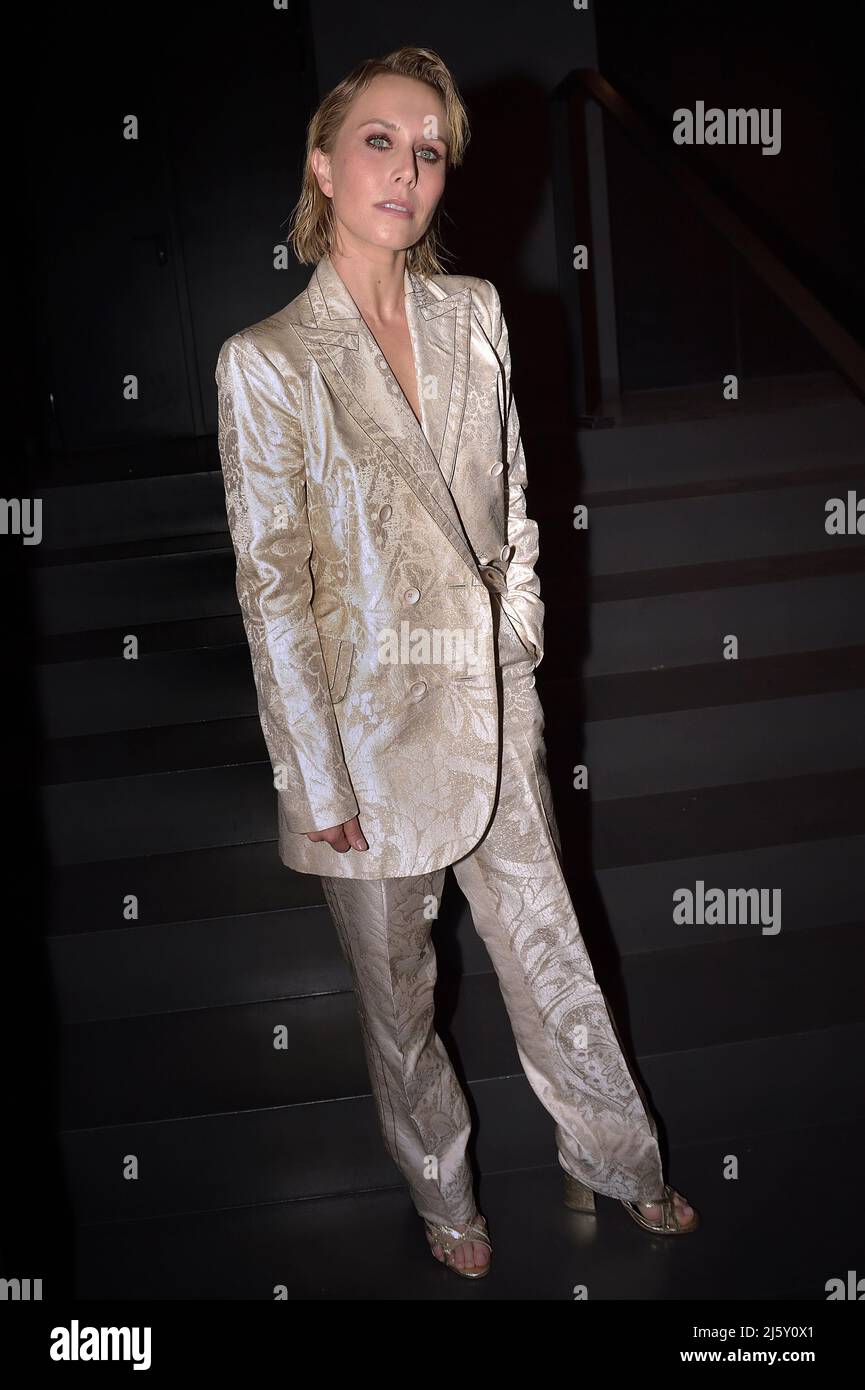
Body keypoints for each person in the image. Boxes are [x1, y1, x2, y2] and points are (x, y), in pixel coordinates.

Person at [215, 45, 698, 1282]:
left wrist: (516, 640)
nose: (408, 167)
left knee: (551, 955)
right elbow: (273, 588)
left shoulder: (472, 312)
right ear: (323, 166)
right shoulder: (270, 360)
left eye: (429, 149)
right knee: (401, 1002)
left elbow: (517, 506)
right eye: (380, 139)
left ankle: (620, 1161)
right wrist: (316, 781)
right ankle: (442, 1193)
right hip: (362, 754)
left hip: (490, 710)